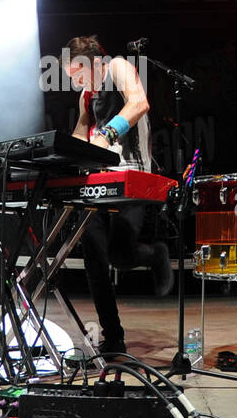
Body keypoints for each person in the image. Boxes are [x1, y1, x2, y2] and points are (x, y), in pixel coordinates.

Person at [63, 35, 174, 355]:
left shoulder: (118, 67)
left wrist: (107, 135)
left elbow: (139, 103)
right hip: (98, 181)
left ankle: (155, 254)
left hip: (131, 174)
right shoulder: (87, 96)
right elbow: (80, 136)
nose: (78, 82)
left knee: (120, 255)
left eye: (79, 74)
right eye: (72, 78)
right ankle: (113, 336)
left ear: (95, 63)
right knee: (95, 259)